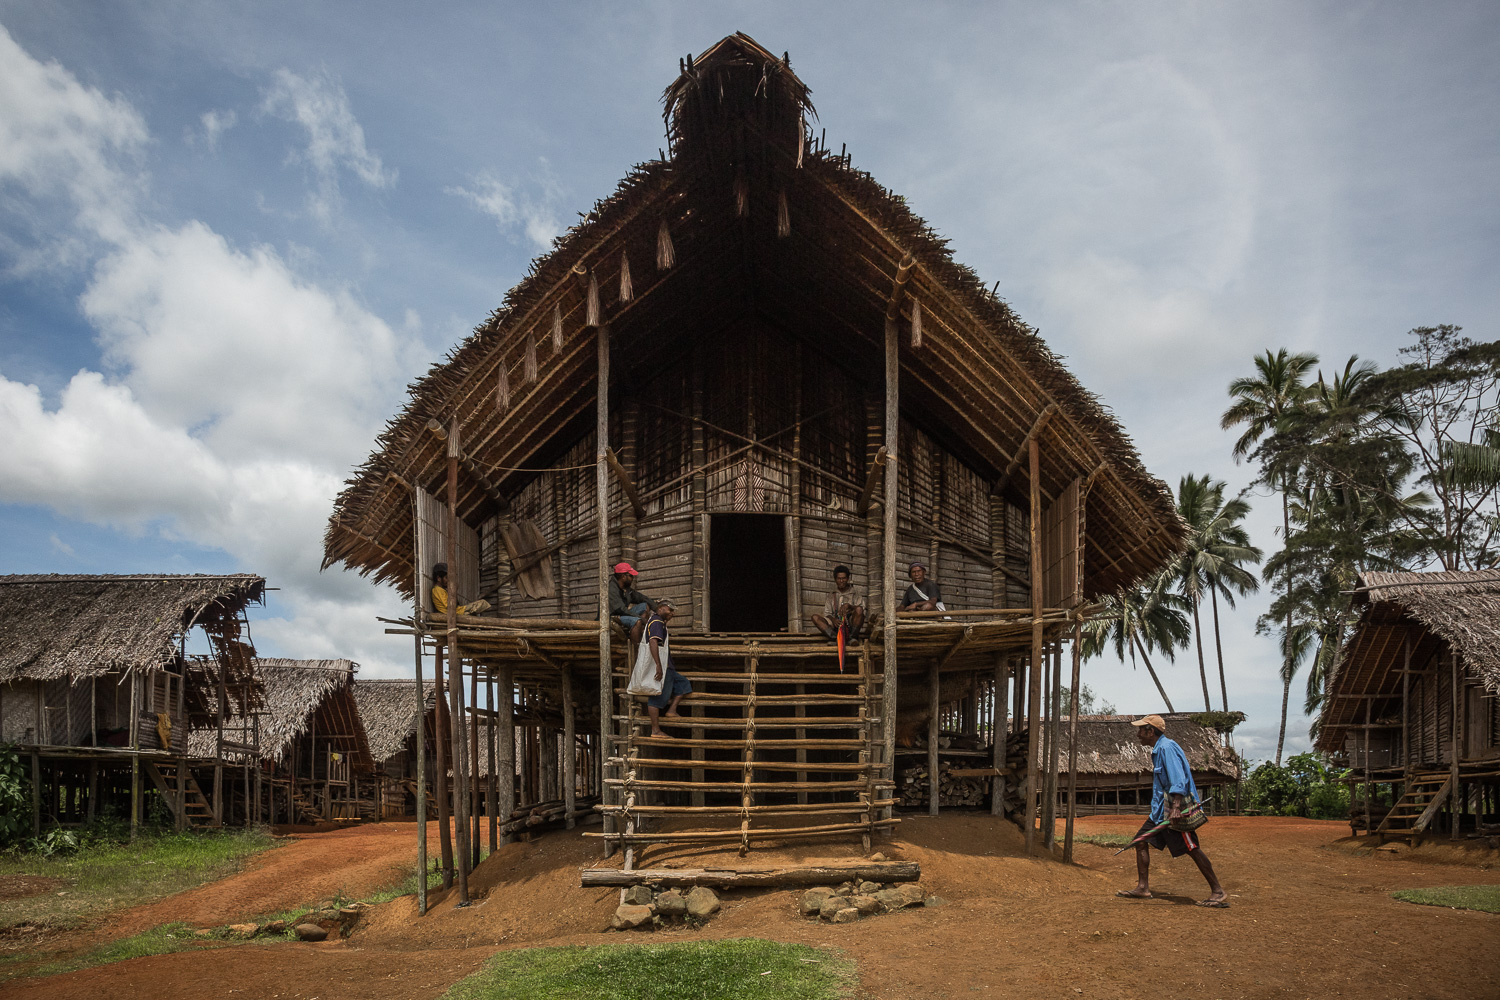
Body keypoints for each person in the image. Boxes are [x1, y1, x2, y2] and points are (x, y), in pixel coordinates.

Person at [1116, 714, 1228, 908]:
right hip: (1160, 811)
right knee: (1140, 841)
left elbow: (1179, 780)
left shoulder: (1167, 748)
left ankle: (1217, 891)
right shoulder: (1159, 750)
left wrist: (1175, 808)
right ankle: (1143, 887)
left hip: (1174, 810)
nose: (1138, 734)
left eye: (1141, 730)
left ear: (1151, 731)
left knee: (1191, 848)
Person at [643, 598, 690, 737]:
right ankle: (655, 730)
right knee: (657, 697)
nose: (672, 613)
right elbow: (653, 642)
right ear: (661, 608)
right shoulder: (657, 621)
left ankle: (671, 710)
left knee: (683, 684)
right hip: (662, 665)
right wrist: (658, 665)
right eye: (670, 610)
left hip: (668, 666)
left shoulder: (660, 623)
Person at [811, 565, 865, 641]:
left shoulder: (855, 594)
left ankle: (852, 637)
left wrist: (850, 606)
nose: (841, 581)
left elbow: (862, 610)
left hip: (850, 624)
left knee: (859, 609)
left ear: (848, 579)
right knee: (815, 617)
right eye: (839, 578)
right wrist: (833, 620)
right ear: (835, 579)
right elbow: (827, 614)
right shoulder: (831, 595)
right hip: (835, 625)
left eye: (844, 578)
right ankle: (835, 638)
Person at [608, 562, 656, 630]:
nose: (632, 578)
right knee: (637, 621)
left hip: (622, 615)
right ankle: (636, 638)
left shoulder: (626, 589)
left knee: (644, 606)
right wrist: (641, 618)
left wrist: (656, 607)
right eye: (631, 576)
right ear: (623, 576)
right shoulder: (611, 589)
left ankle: (640, 632)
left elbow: (641, 597)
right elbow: (621, 610)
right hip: (612, 618)